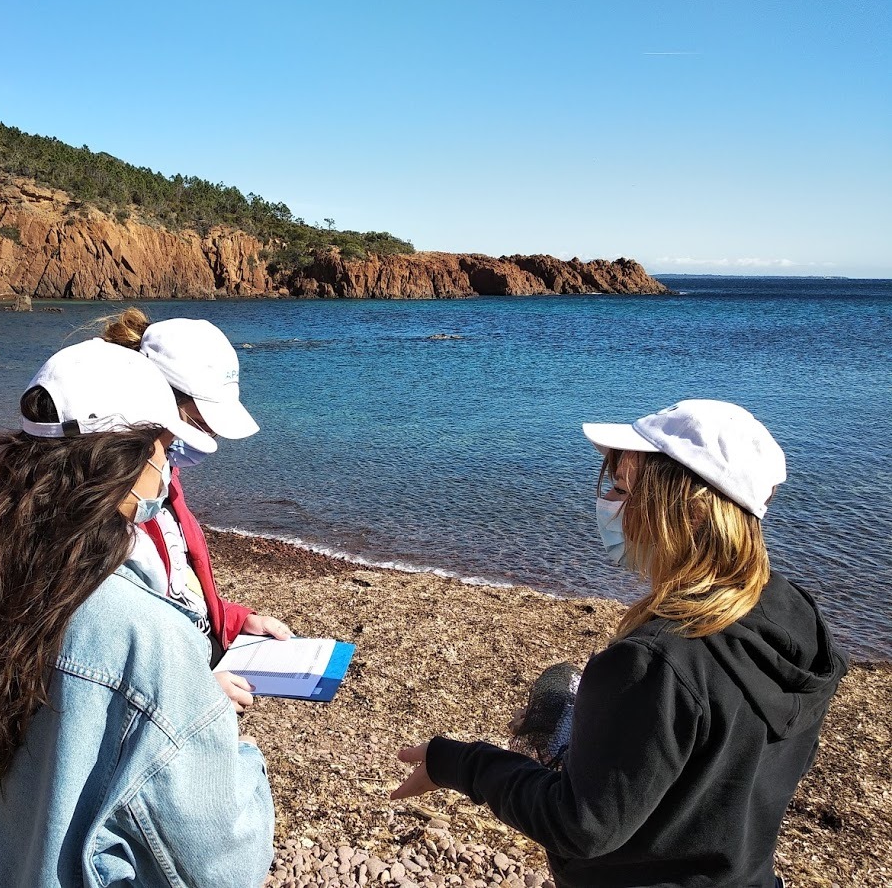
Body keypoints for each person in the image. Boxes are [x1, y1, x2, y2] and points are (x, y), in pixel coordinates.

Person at [392, 399, 847, 888]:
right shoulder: (793, 615)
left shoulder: (655, 662)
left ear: (691, 514)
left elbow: (581, 825)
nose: (608, 502)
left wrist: (458, 762)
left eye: (623, 489)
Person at [0, 338, 274, 888]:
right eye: (164, 447)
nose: (170, 466)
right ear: (132, 457)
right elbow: (226, 866)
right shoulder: (144, 636)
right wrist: (236, 752)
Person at [102, 309, 292, 712]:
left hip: (196, 659)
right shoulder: (103, 506)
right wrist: (192, 689)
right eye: (201, 423)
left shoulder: (163, 479)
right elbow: (104, 658)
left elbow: (178, 585)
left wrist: (234, 621)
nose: (210, 436)